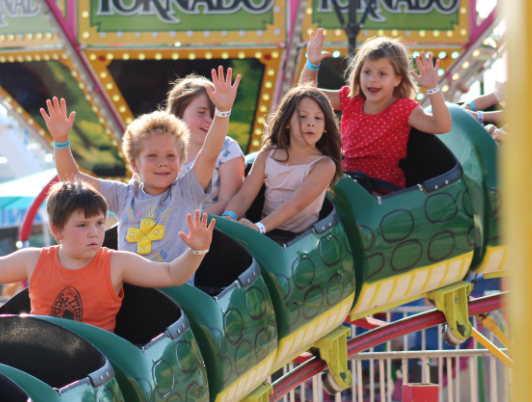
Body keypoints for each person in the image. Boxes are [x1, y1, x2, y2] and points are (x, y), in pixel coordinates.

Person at [0, 182, 215, 333]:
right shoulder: (34, 259)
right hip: (42, 353)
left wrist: (197, 250)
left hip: (96, 364)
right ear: (57, 230)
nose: (95, 232)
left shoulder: (116, 263)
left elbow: (171, 274)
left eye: (98, 223)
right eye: (82, 226)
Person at [39, 67, 239, 265]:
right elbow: (72, 180)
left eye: (171, 156)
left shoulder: (187, 190)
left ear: (181, 161)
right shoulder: (123, 195)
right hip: (131, 290)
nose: (163, 162)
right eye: (152, 155)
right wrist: (61, 140)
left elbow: (211, 152)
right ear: (134, 164)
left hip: (174, 292)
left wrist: (223, 112)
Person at [300, 30, 452, 194]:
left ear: (397, 79)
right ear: (359, 75)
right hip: (347, 181)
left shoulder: (403, 108)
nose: (373, 79)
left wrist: (432, 88)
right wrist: (312, 63)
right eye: (367, 72)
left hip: (381, 190)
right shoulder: (351, 99)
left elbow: (441, 126)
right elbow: (307, 96)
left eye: (382, 73)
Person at [221, 86, 341, 239]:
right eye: (303, 116)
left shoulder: (324, 165)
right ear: (287, 122)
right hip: (264, 230)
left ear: (325, 127)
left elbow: (295, 204)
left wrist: (258, 228)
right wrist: (229, 217)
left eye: (318, 118)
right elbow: (245, 195)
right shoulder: (268, 153)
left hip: (295, 239)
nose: (311, 123)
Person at [165, 74, 245, 214]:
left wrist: (187, 221)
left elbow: (228, 202)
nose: (209, 119)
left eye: (216, 114)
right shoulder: (161, 146)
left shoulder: (228, 148)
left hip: (211, 226)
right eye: (201, 112)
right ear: (178, 112)